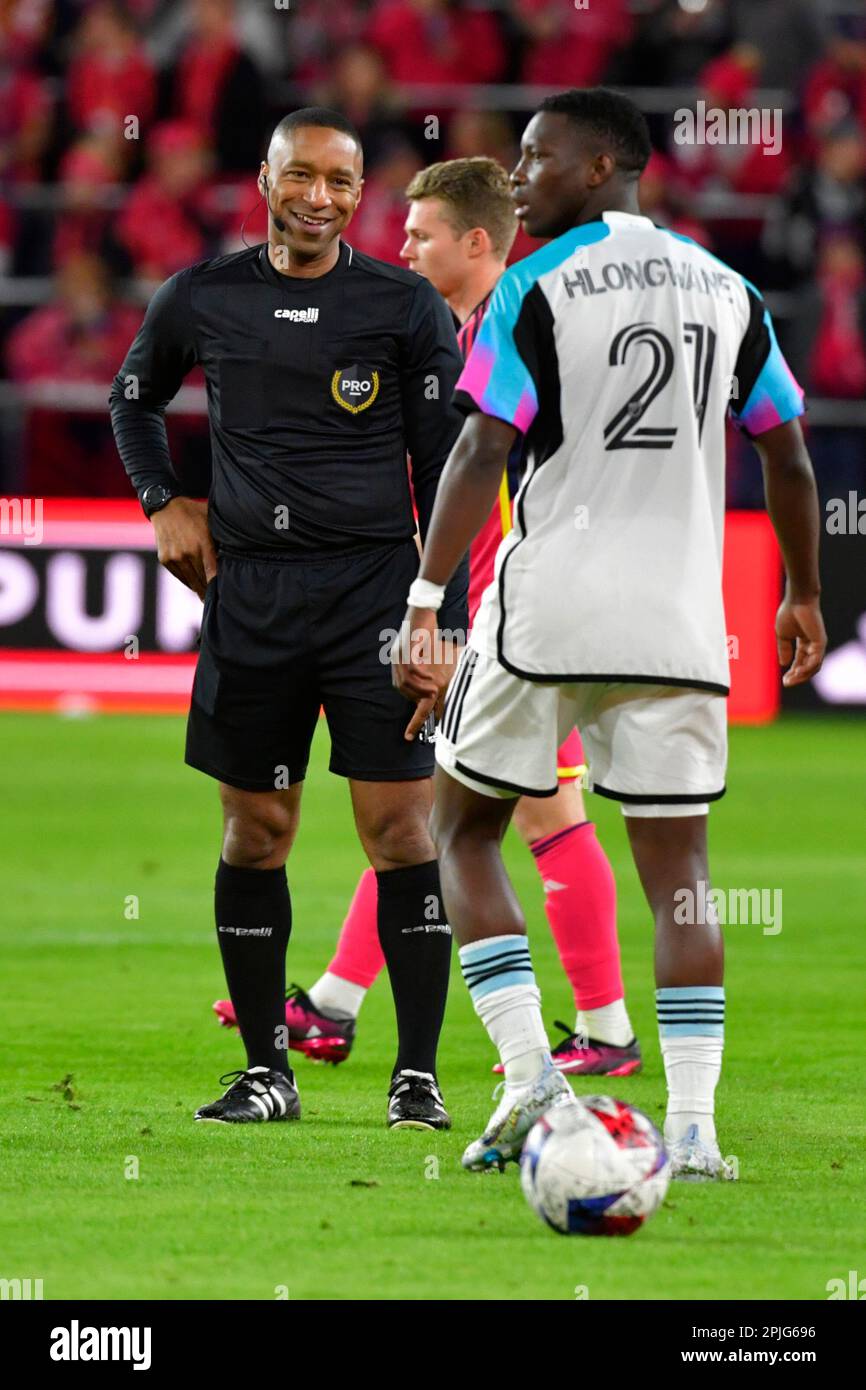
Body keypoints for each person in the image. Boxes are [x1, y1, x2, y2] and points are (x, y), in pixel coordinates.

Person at [394, 88, 827, 1179]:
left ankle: (532, 1074)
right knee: (679, 872)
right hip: (682, 624)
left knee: (463, 831)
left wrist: (422, 598)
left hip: (545, 611)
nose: (519, 175)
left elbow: (481, 446)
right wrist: (802, 596)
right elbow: (785, 450)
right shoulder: (730, 290)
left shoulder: (533, 284)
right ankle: (691, 1129)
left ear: (598, 168)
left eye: (537, 158)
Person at [220, 157, 642, 1082]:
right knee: (433, 809)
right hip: (503, 605)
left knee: (535, 813)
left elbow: (510, 477)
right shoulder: (470, 328)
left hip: (521, 608)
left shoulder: (514, 327)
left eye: (421, 234)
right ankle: (335, 1002)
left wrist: (454, 612)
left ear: (477, 241)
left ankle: (605, 1028)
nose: (401, 247)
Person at [110, 107, 468, 1131]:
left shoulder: (401, 307)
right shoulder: (203, 295)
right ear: (264, 180)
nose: (318, 197)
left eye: (341, 183)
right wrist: (161, 501)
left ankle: (416, 1076)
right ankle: (268, 1071)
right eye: (299, 176)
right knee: (255, 829)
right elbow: (132, 398)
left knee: (399, 830)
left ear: (363, 196)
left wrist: (437, 614)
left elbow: (445, 466)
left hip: (375, 597)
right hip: (252, 598)